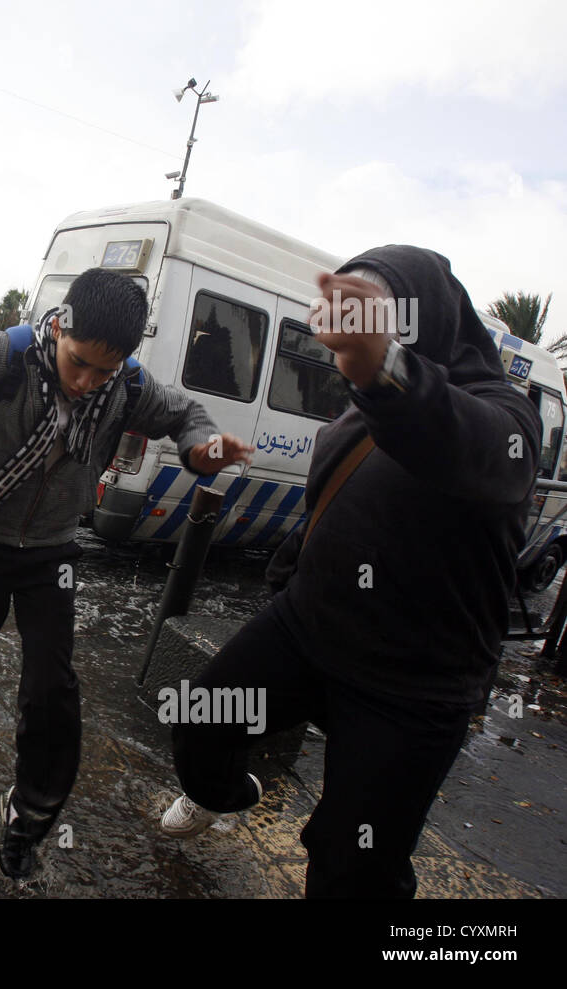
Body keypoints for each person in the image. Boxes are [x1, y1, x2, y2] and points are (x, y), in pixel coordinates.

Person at [160, 246, 541, 898]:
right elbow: (326, 509)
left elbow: (466, 444)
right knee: (201, 717)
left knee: (349, 863)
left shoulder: (506, 416)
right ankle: (223, 793)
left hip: (411, 686)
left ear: (430, 321)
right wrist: (287, 582)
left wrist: (385, 365)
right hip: (309, 627)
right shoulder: (353, 413)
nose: (354, 330)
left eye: (380, 313)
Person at [0, 267, 252, 880]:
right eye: (79, 365)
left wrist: (202, 450)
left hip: (52, 553)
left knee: (53, 686)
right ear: (61, 326)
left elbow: (185, 415)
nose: (88, 382)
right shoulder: (4, 357)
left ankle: (26, 824)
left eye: (105, 371)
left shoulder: (126, 385)